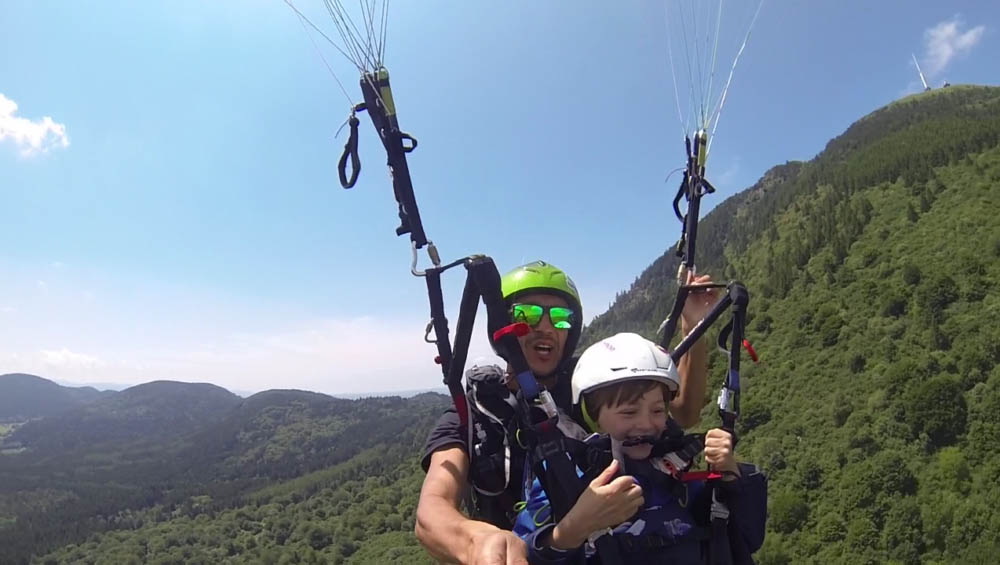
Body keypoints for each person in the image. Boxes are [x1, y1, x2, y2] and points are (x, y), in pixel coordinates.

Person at [415, 261, 718, 564]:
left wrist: (694, 327)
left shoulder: (593, 384)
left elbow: (682, 414)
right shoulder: (477, 413)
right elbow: (432, 510)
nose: (545, 326)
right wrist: (477, 541)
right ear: (501, 325)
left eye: (560, 318)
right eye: (528, 314)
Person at [515, 332, 767, 564]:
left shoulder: (677, 474)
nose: (646, 424)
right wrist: (573, 528)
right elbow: (519, 554)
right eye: (629, 412)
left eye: (658, 411)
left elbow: (745, 539)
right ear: (594, 417)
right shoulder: (565, 479)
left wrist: (732, 477)